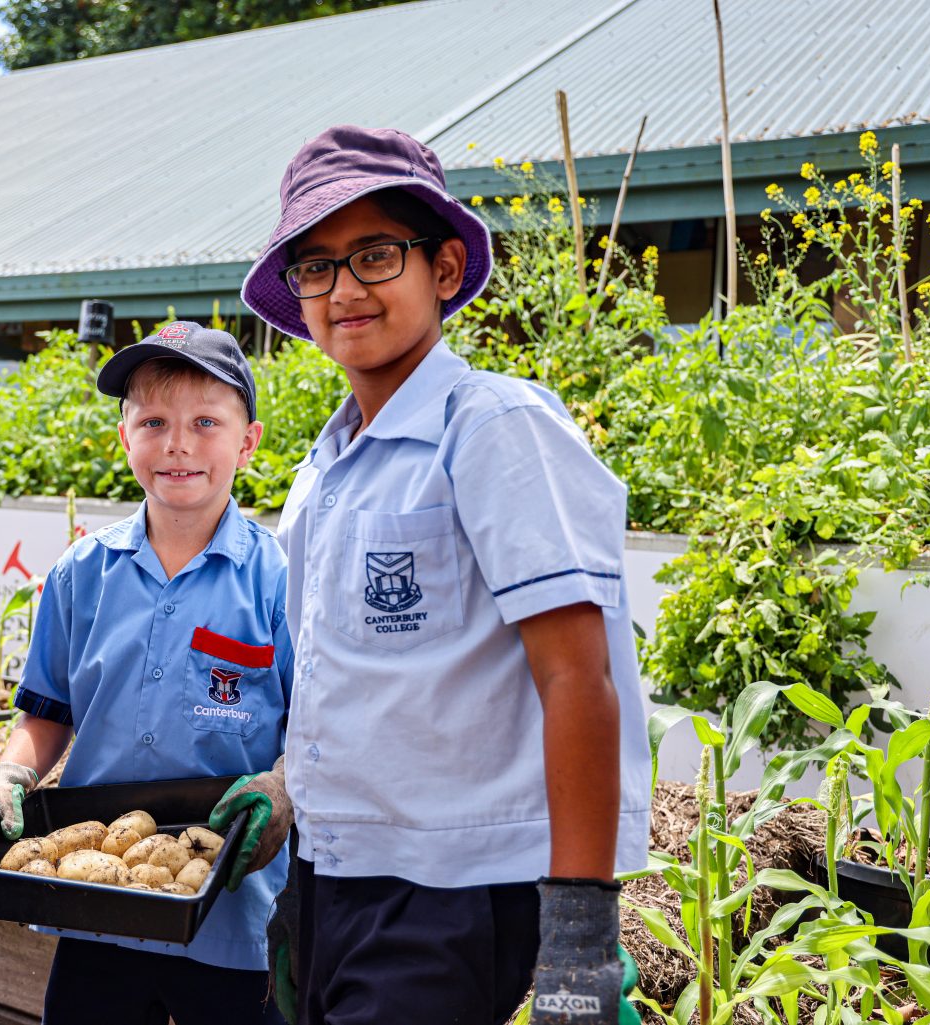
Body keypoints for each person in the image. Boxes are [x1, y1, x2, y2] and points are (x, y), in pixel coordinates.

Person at [228, 124, 649, 1025]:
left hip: (446, 897)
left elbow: (578, 677)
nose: (344, 289)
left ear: (446, 270)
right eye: (316, 266)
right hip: (330, 879)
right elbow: (359, 684)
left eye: (376, 255)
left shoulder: (490, 428)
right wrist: (291, 787)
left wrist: (579, 927)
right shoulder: (327, 468)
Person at [0, 322, 291, 1025]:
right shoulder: (80, 575)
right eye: (153, 421)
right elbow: (46, 715)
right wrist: (11, 773)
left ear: (248, 441)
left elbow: (315, 727)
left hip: (231, 914)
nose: (177, 443)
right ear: (125, 438)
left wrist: (286, 783)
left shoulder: (280, 579)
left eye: (205, 422)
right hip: (98, 907)